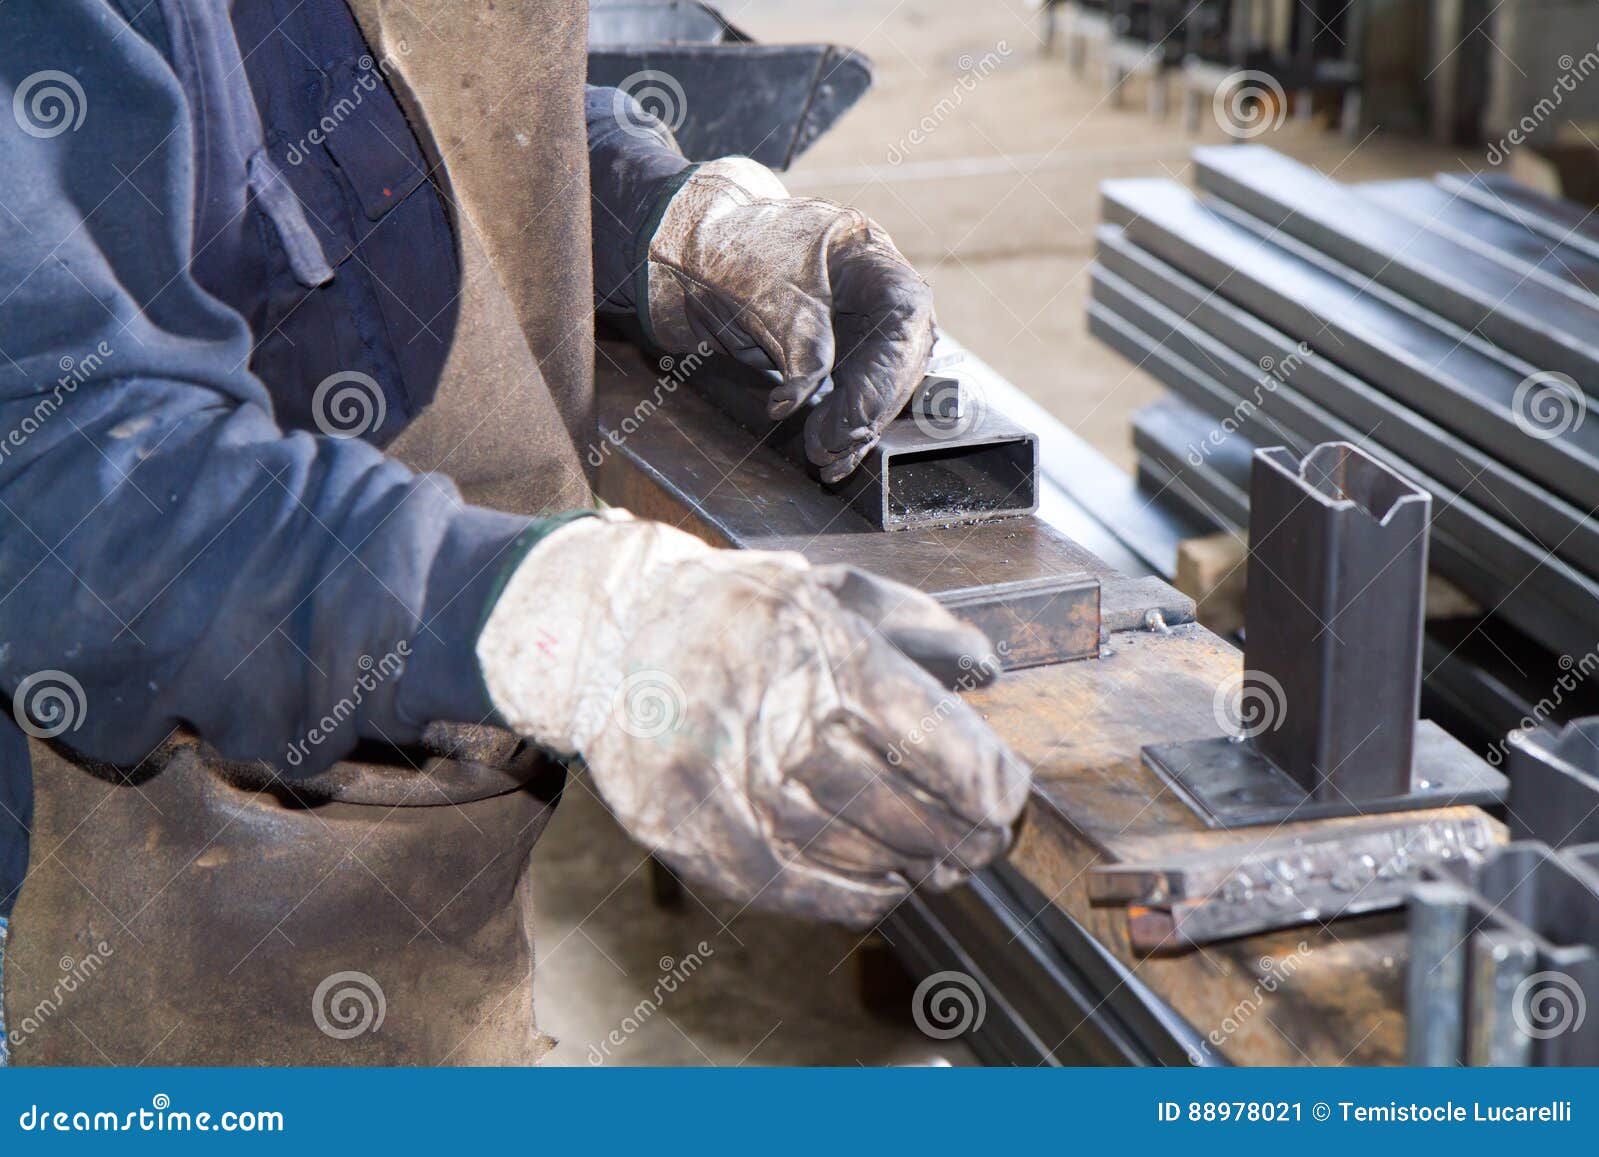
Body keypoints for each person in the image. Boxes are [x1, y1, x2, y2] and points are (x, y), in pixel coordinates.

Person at [0, 0, 1029, 1064]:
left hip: (419, 910)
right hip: (115, 921)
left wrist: (676, 227)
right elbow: (70, 497)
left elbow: (366, 118)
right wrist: (565, 619)